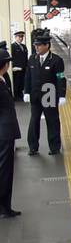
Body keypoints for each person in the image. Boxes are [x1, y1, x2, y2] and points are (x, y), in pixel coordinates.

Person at [23, 29, 65, 156]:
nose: (36, 47)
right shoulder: (32, 59)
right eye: (35, 45)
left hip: (49, 94)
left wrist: (62, 95)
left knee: (52, 121)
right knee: (34, 121)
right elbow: (28, 76)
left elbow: (60, 78)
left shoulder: (56, 60)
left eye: (39, 45)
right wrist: (26, 92)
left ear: (47, 45)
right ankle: (33, 147)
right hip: (35, 95)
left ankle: (54, 147)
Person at [0, 49, 20, 218]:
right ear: (5, 65)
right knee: (4, 171)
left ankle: (5, 206)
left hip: (4, 133)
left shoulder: (2, 80)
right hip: (4, 134)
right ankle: (4, 208)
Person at [9, 31, 26, 103]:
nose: (21, 38)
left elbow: (25, 57)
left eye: (22, 37)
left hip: (23, 68)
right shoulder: (12, 46)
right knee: (16, 83)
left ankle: (20, 94)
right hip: (16, 69)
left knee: (22, 82)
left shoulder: (23, 46)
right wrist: (12, 67)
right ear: (15, 37)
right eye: (19, 37)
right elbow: (11, 58)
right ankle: (16, 96)